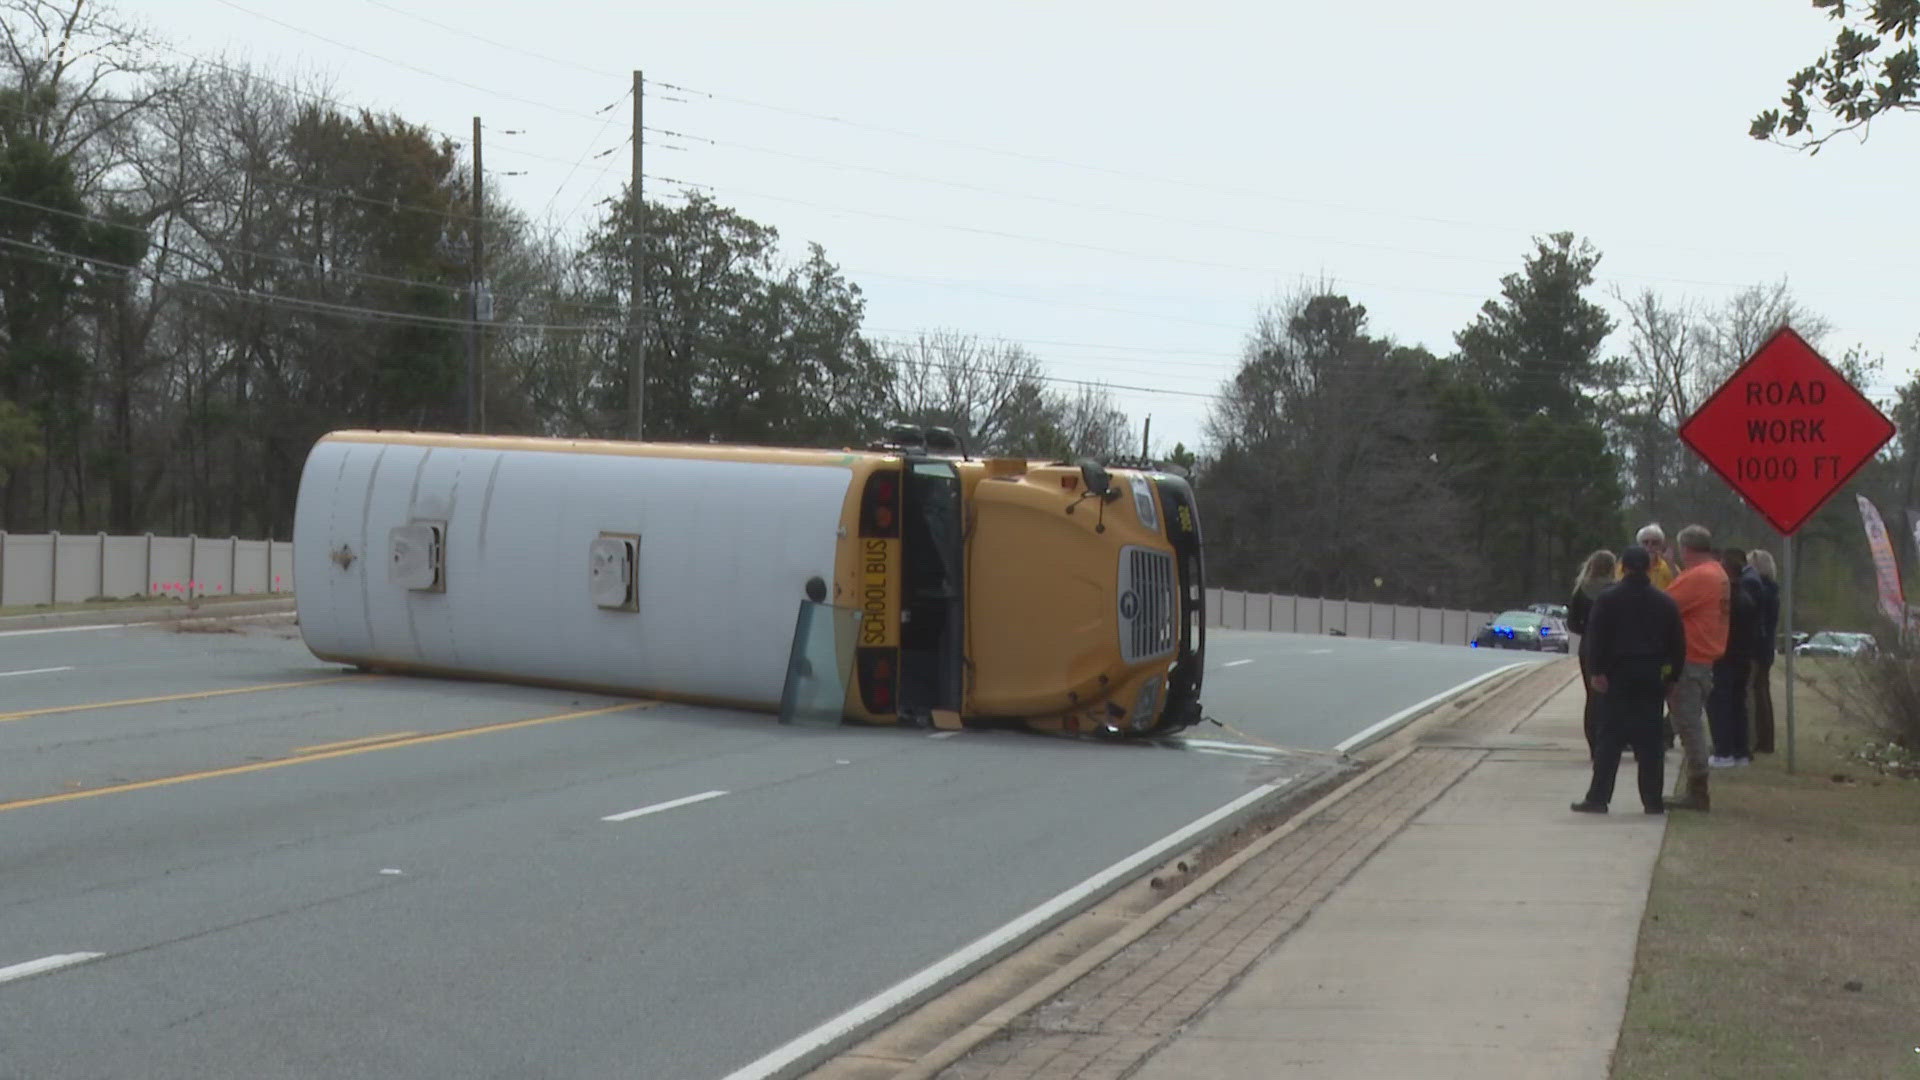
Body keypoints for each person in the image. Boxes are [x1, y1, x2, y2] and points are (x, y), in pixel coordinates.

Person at [1572, 545, 1686, 816]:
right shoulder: (1665, 602)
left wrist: (1597, 671)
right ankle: (1652, 800)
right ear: (1649, 568)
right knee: (1650, 740)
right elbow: (1677, 644)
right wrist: (1672, 676)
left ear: (1622, 567)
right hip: (1651, 674)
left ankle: (1599, 797)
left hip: (1617, 674)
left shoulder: (1609, 600)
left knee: (1609, 737)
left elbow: (1596, 639)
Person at [1664, 524, 1729, 811]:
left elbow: (1663, 605)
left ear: (1685, 549)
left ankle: (1698, 789)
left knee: (1688, 724)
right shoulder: (1716, 573)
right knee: (1686, 721)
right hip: (1705, 658)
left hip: (1690, 659)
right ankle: (1696, 786)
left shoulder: (1700, 577)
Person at [1708, 547, 1762, 767]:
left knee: (1720, 702)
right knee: (1738, 703)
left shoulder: (1727, 598)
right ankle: (1741, 750)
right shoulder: (1747, 596)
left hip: (1724, 655)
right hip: (1742, 655)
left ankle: (1723, 751)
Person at [1567, 549, 1616, 760]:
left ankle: (1593, 743)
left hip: (1588, 645)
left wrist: (1587, 630)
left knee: (1592, 696)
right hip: (1613, 647)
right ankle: (1609, 740)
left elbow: (1572, 623)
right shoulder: (1615, 591)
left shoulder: (1581, 590)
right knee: (1612, 697)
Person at [1747, 549, 1781, 754]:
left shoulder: (1760, 592)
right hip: (1766, 648)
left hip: (1756, 648)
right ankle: (1765, 739)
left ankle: (1757, 739)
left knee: (1754, 693)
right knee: (1762, 692)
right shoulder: (1772, 591)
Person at [1618, 523, 1680, 590]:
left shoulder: (1669, 566)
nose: (1649, 546)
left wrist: (1671, 564)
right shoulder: (1627, 566)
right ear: (1639, 545)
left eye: (1654, 543)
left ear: (1661, 545)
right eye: (1645, 542)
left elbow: (1681, 585)